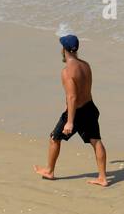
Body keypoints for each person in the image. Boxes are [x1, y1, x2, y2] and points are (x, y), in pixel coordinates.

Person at [34, 34, 109, 187]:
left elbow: (72, 97)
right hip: (90, 107)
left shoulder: (67, 72)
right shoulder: (86, 65)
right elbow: (83, 89)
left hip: (76, 111)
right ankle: (102, 178)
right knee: (96, 141)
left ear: (64, 50)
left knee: (54, 138)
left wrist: (69, 121)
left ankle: (49, 171)